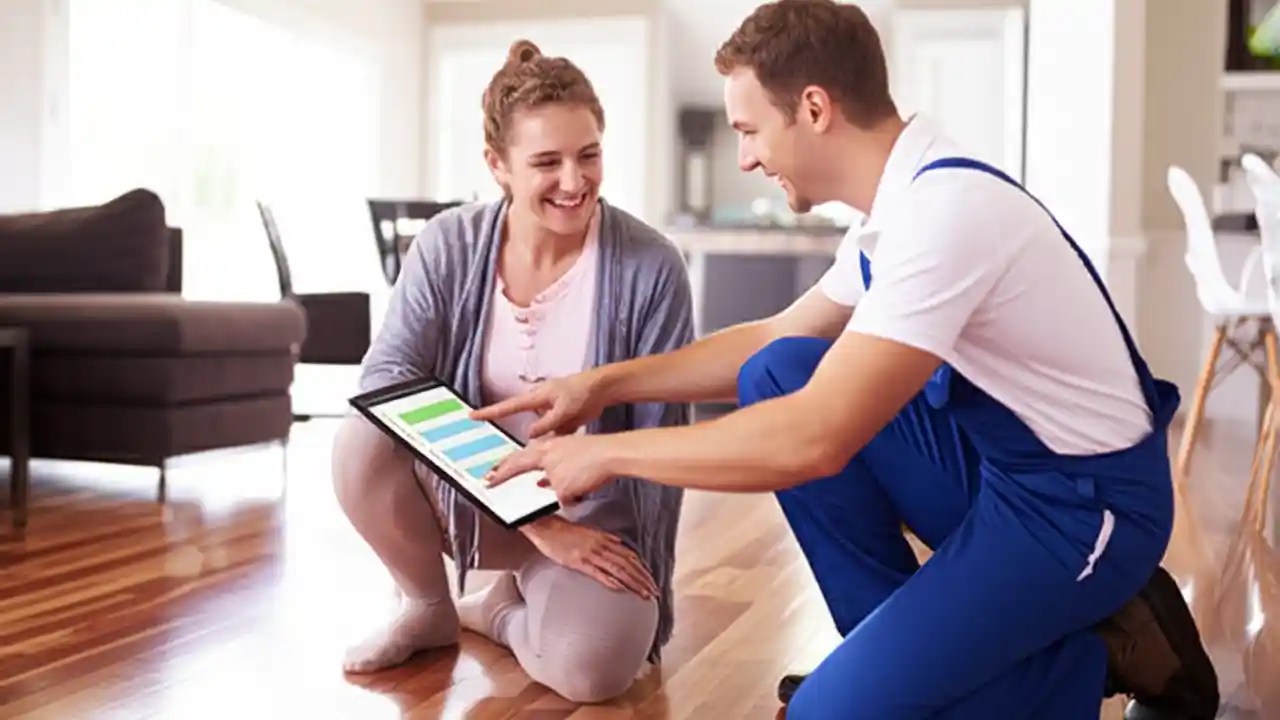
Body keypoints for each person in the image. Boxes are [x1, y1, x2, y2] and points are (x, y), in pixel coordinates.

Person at [475, 2, 1220, 719]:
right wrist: (599, 386)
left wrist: (609, 457)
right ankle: (895, 653)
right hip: (1004, 477)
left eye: (751, 129)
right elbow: (771, 343)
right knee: (780, 374)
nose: (746, 156)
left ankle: (1091, 658)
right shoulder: (892, 215)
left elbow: (816, 437)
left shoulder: (946, 214)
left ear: (814, 107)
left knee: (830, 711)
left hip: (1086, 507)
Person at [331, 39, 693, 704]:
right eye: (546, 162)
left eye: (589, 155)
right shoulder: (449, 244)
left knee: (594, 673)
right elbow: (385, 378)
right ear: (497, 165)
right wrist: (535, 524)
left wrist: (650, 597)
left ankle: (493, 609)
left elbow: (661, 436)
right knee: (359, 441)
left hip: (592, 517)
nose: (574, 181)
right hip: (473, 505)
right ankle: (429, 608)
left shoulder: (652, 266)